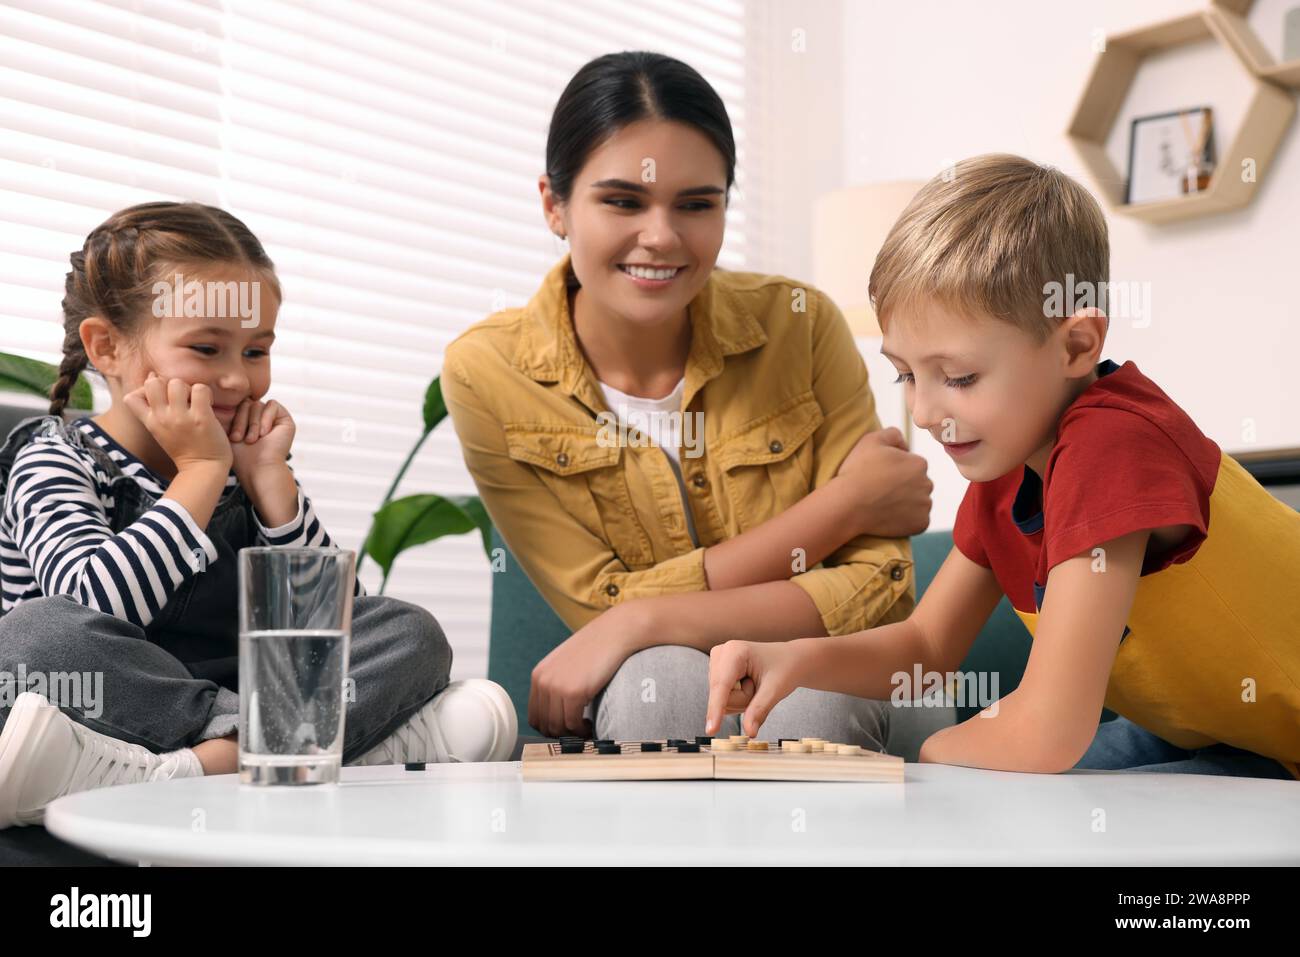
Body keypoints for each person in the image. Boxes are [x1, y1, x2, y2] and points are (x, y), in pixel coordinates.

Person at [704, 154, 1300, 780]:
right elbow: (926, 650)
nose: (926, 410)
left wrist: (928, 758)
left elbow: (1046, 733)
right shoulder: (1006, 470)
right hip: (1211, 733)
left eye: (958, 377)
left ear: (1077, 344)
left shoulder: (1113, 445)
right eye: (905, 374)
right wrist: (793, 660)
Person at [442, 52, 932, 743]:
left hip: (840, 660)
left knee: (805, 702)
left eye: (697, 204)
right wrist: (845, 505)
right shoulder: (487, 373)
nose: (663, 237)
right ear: (554, 204)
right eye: (623, 201)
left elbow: (879, 583)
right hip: (655, 677)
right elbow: (599, 605)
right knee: (662, 687)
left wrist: (642, 616)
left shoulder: (801, 324)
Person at [0, 201, 517, 829]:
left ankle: (193, 769)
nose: (237, 380)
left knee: (408, 631)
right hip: (120, 696)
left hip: (238, 688)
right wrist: (198, 476)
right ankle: (319, 748)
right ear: (107, 346)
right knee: (36, 638)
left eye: (255, 351)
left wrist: (271, 482)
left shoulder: (244, 462)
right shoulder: (56, 458)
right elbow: (91, 603)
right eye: (207, 348)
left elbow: (330, 622)